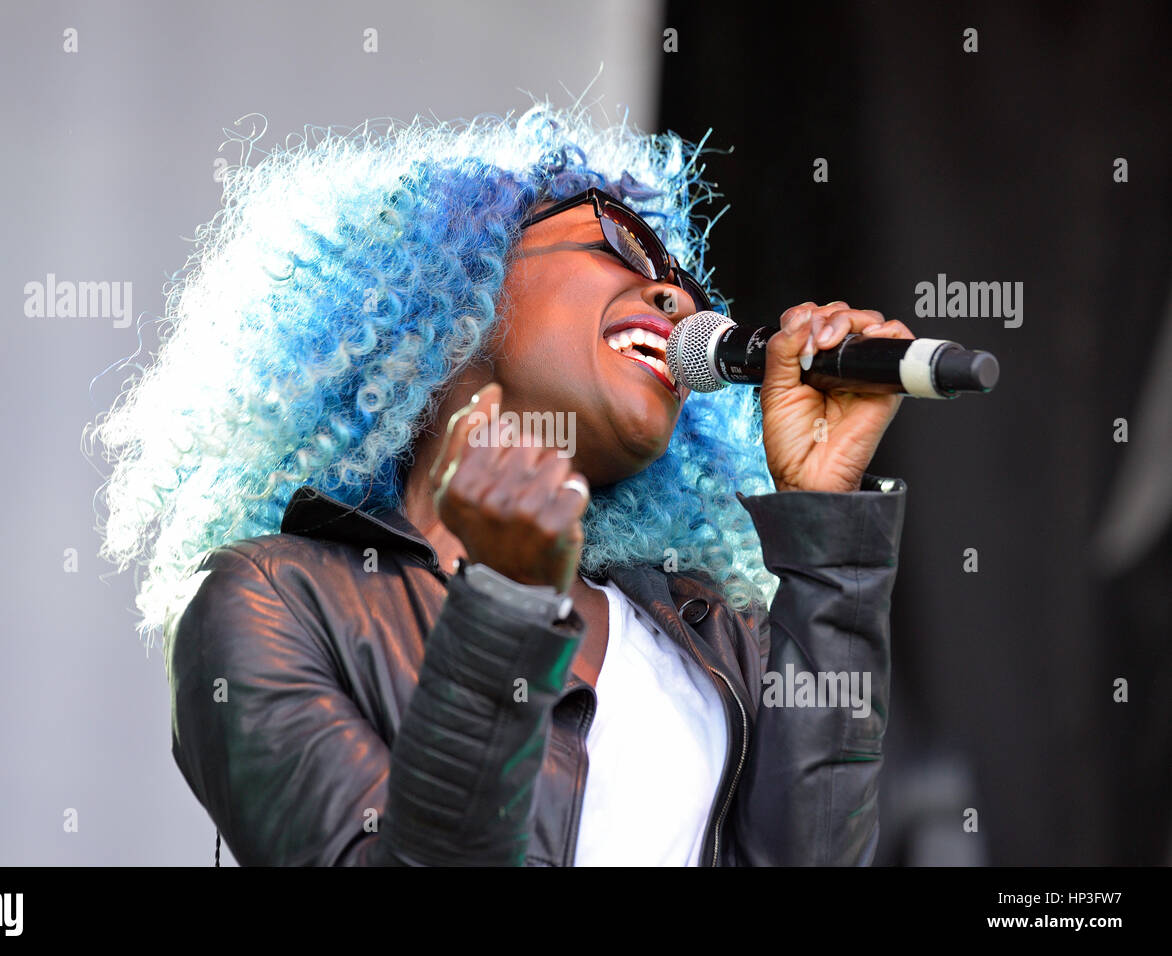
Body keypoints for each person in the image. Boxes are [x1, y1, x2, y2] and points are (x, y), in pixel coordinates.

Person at [90, 100, 911, 866]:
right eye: (618, 240)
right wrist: (507, 608)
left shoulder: (710, 634)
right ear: (457, 280)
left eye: (680, 274)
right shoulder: (275, 595)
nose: (674, 291)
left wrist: (825, 523)